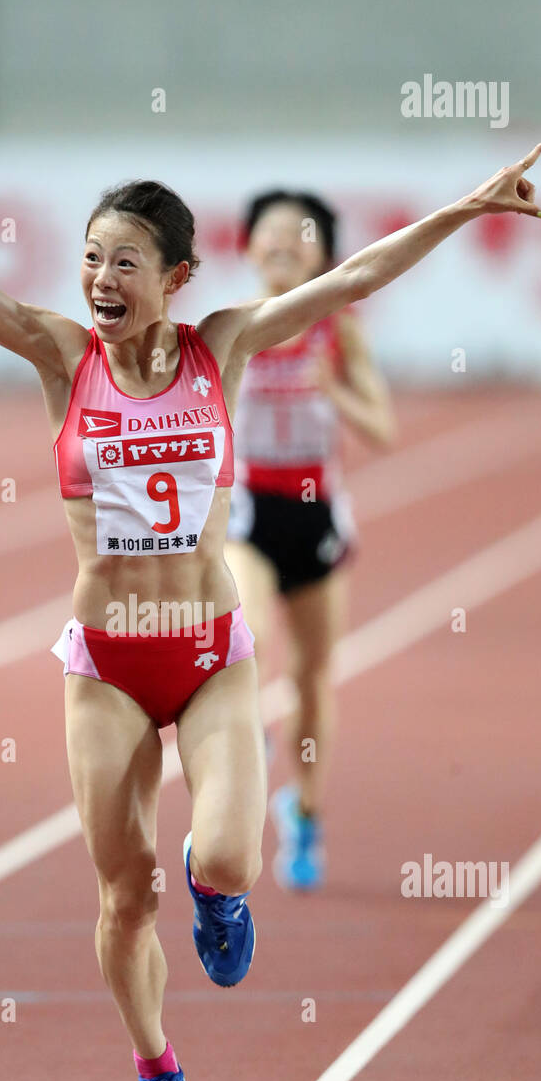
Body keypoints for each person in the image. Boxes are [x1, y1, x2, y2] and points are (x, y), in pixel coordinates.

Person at [0, 105, 541, 1081]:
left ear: (176, 277)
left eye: (125, 261)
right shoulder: (61, 356)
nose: (100, 277)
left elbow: (351, 281)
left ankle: (215, 887)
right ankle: (156, 1075)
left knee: (226, 858)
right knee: (120, 890)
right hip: (104, 667)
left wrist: (465, 206)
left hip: (209, 655)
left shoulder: (219, 346)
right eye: (91, 257)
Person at [225, 190, 396, 889]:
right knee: (250, 641)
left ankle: (306, 812)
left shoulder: (338, 331)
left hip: (318, 517)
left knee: (315, 681)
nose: (282, 244)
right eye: (269, 233)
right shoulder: (229, 328)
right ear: (248, 247)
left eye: (299, 236)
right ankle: (253, 727)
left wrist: (336, 392)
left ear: (324, 254)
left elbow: (383, 430)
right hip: (251, 514)